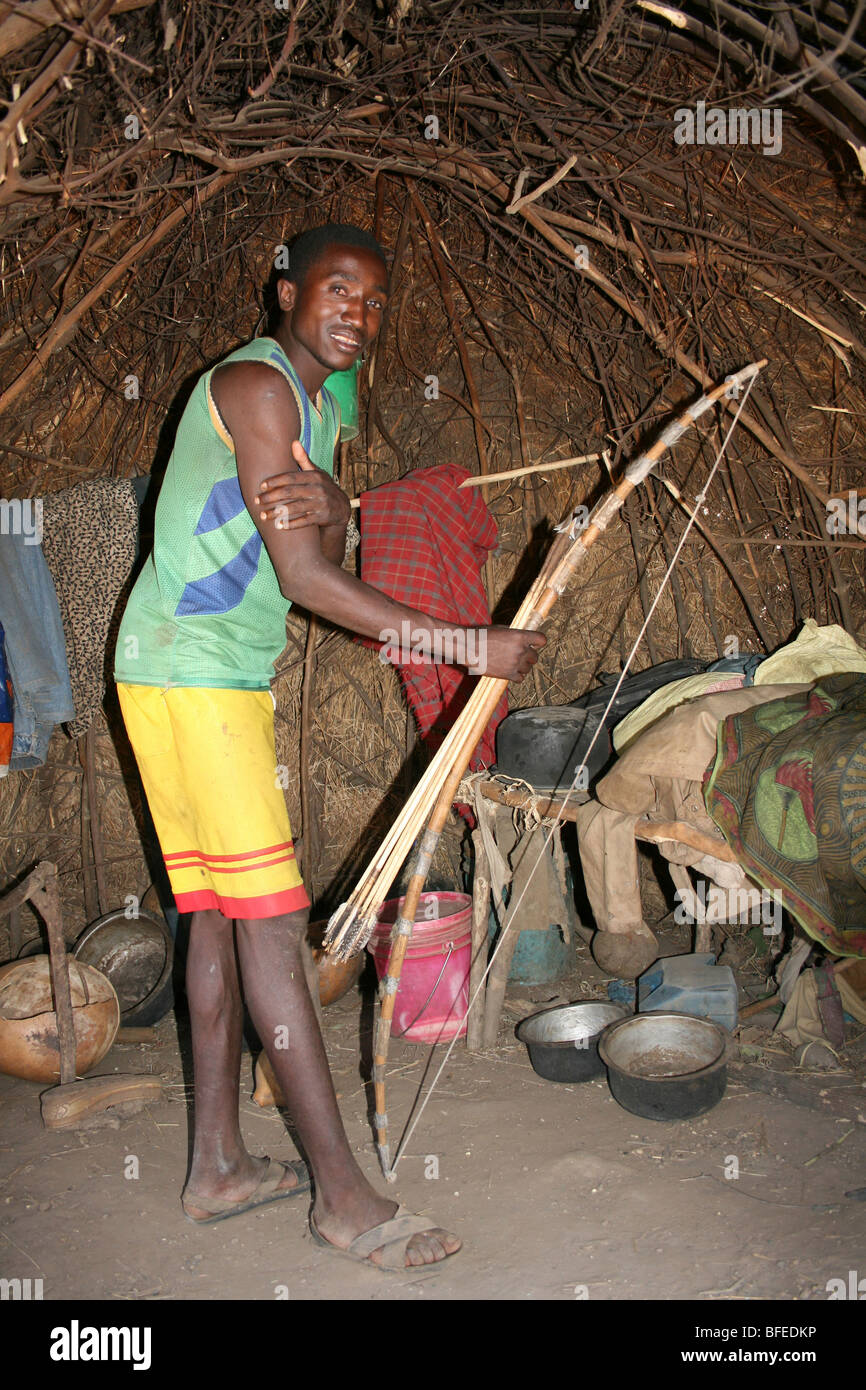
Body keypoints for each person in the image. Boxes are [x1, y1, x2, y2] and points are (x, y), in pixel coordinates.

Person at [114, 222, 545, 1269]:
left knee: (212, 920)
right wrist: (466, 640)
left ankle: (218, 1164)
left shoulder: (325, 401)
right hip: (194, 672)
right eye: (335, 288)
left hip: (184, 667)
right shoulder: (257, 388)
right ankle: (342, 1197)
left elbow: (326, 534)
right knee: (270, 922)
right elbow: (306, 579)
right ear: (282, 293)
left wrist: (345, 503)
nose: (357, 310)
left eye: (375, 298)